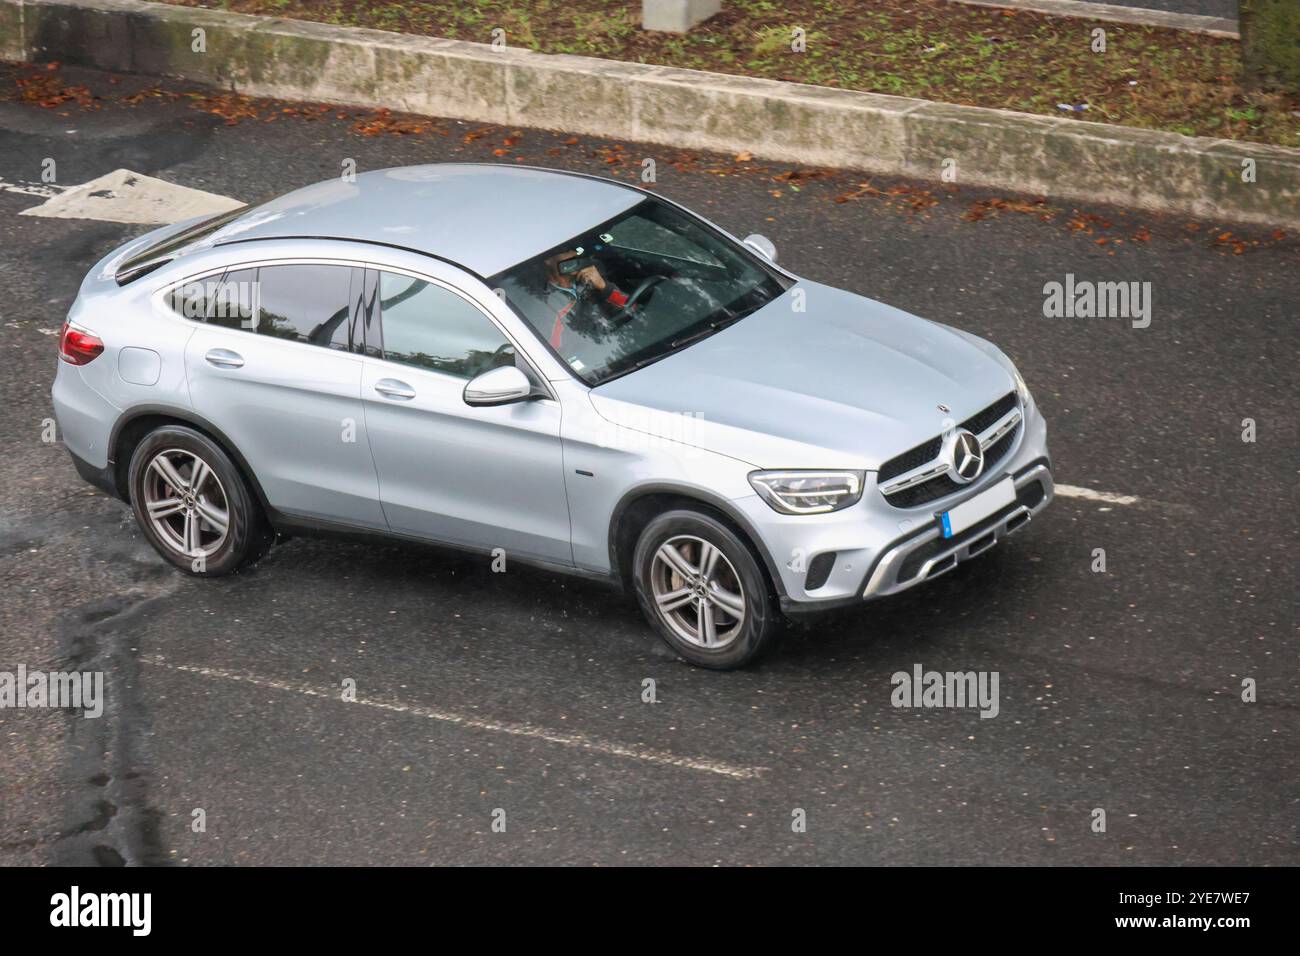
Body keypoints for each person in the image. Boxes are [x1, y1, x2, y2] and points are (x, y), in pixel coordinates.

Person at [542, 249, 630, 352]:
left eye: (575, 250)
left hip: (621, 342)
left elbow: (631, 309)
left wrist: (604, 287)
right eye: (566, 251)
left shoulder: (591, 279)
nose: (574, 254)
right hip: (598, 352)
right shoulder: (547, 303)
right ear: (548, 259)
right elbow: (557, 351)